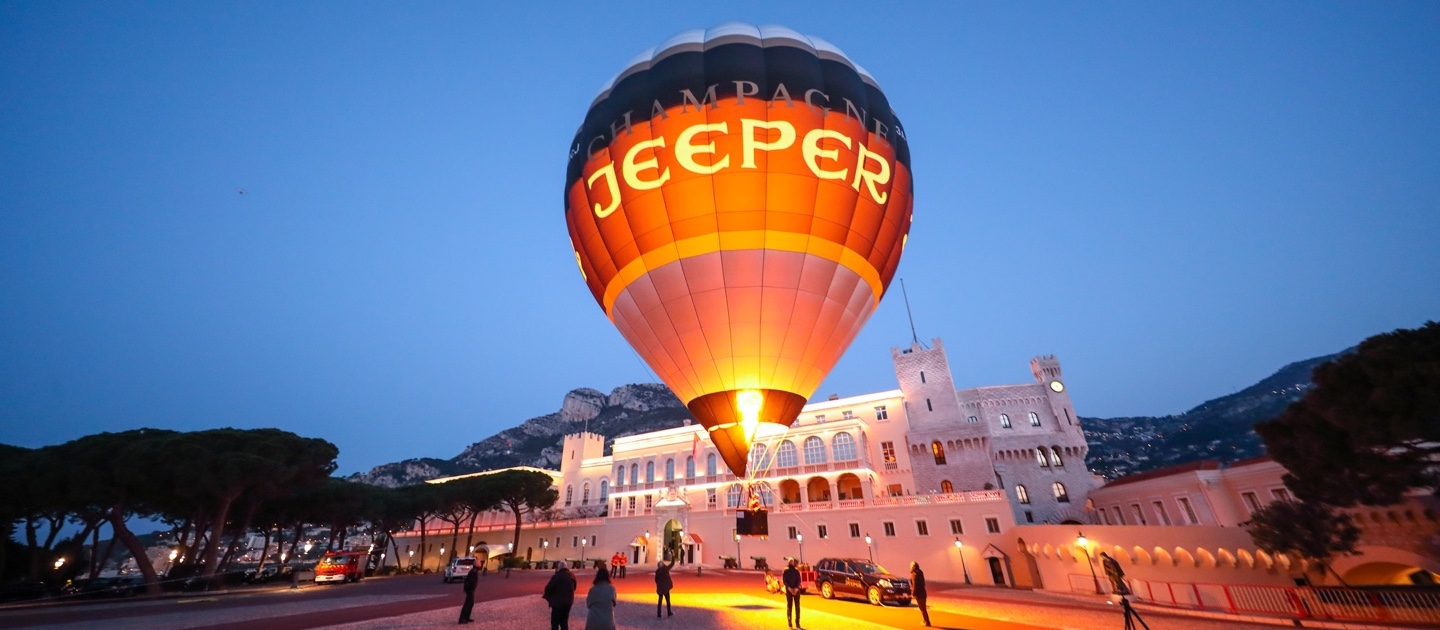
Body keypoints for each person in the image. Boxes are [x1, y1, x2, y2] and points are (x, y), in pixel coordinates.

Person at [543, 564, 577, 630]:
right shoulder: (572, 575)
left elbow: (548, 588)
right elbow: (574, 588)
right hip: (568, 602)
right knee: (564, 621)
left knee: (555, 622)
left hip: (558, 602)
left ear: (559, 568)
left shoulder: (557, 576)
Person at [782, 558, 802, 628]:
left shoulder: (795, 571)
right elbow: (784, 580)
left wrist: (795, 588)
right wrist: (792, 588)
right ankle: (791, 621)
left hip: (792, 590)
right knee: (791, 606)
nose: (791, 562)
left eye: (792, 561)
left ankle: (797, 622)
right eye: (790, 561)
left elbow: (798, 580)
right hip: (791, 590)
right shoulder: (788, 571)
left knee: (795, 607)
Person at [910, 561, 930, 627]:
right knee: (923, 608)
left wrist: (913, 594)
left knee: (922, 609)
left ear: (913, 566)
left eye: (911, 565)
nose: (910, 566)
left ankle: (927, 622)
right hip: (923, 592)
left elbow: (915, 585)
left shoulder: (914, 574)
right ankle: (925, 620)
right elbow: (922, 583)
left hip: (919, 594)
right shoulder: (920, 573)